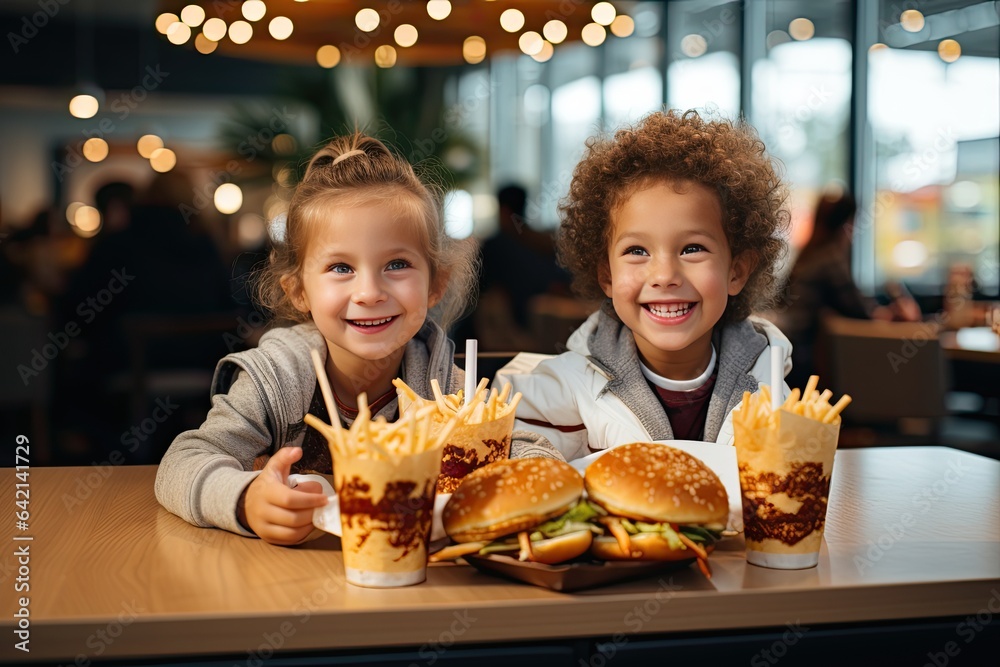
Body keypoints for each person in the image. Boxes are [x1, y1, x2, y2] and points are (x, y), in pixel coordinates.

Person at [155, 134, 480, 545]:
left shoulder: (448, 389)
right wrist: (245, 500)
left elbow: (525, 451)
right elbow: (182, 462)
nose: (369, 293)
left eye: (397, 264)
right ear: (299, 292)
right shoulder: (276, 380)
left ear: (436, 284)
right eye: (341, 267)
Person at [495, 110, 792, 462]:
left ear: (737, 271)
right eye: (637, 251)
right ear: (606, 276)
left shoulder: (769, 380)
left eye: (692, 249)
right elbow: (512, 442)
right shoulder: (569, 388)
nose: (664, 275)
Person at [782, 188, 920, 388]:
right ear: (848, 223)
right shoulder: (831, 260)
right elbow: (860, 311)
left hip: (789, 346)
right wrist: (892, 314)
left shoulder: (809, 255)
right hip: (802, 356)